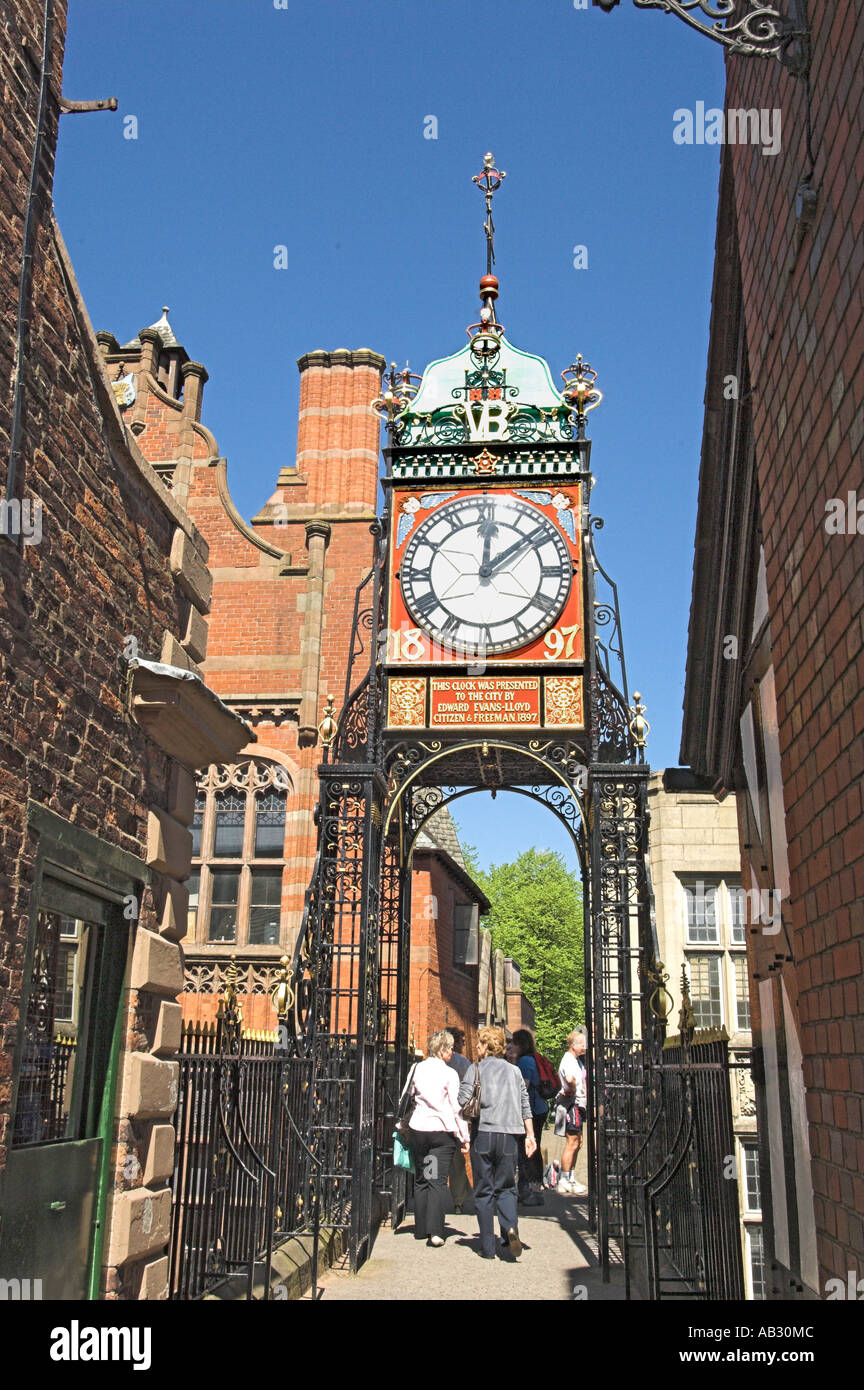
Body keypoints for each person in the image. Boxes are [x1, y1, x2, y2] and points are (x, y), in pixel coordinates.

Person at [458, 1024, 536, 1260]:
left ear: (485, 1046)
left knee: (483, 1191)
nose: (477, 1047)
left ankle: (487, 1247)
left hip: (483, 1133)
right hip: (509, 1136)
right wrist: (530, 1135)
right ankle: (510, 1229)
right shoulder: (514, 1071)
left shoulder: (476, 1069)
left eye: (480, 1043)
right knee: (506, 1188)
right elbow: (525, 1103)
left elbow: (462, 1100)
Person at [405, 1029, 470, 1246]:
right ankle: (435, 1231)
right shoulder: (449, 1074)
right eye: (450, 1048)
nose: (452, 1052)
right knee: (437, 1181)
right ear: (442, 1050)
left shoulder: (416, 1068)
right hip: (440, 1135)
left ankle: (421, 1228)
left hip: (419, 1131)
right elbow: (456, 1108)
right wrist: (464, 1136)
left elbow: (407, 1096)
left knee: (422, 1178)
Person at [511, 1028, 548, 1206]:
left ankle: (529, 1189)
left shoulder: (525, 1061)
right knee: (533, 1150)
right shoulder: (531, 1058)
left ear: (520, 1044)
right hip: (539, 1108)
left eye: (514, 1043)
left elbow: (522, 1087)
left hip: (531, 1111)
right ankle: (534, 1188)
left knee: (527, 1150)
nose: (511, 1046)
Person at [555, 1029, 588, 1195]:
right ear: (574, 1045)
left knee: (578, 1142)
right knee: (572, 1142)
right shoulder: (569, 1060)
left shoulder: (576, 1060)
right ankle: (564, 1179)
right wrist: (573, 1089)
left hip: (576, 1104)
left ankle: (571, 1178)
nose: (585, 1047)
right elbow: (569, 1079)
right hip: (571, 1104)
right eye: (583, 1045)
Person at [446, 1027, 472, 1215]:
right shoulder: (464, 1063)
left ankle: (432, 1200)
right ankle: (458, 1201)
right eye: (462, 1040)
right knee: (457, 1161)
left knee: (435, 1160)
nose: (464, 1044)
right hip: (456, 1117)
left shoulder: (432, 1064)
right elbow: (470, 1092)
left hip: (436, 1119)